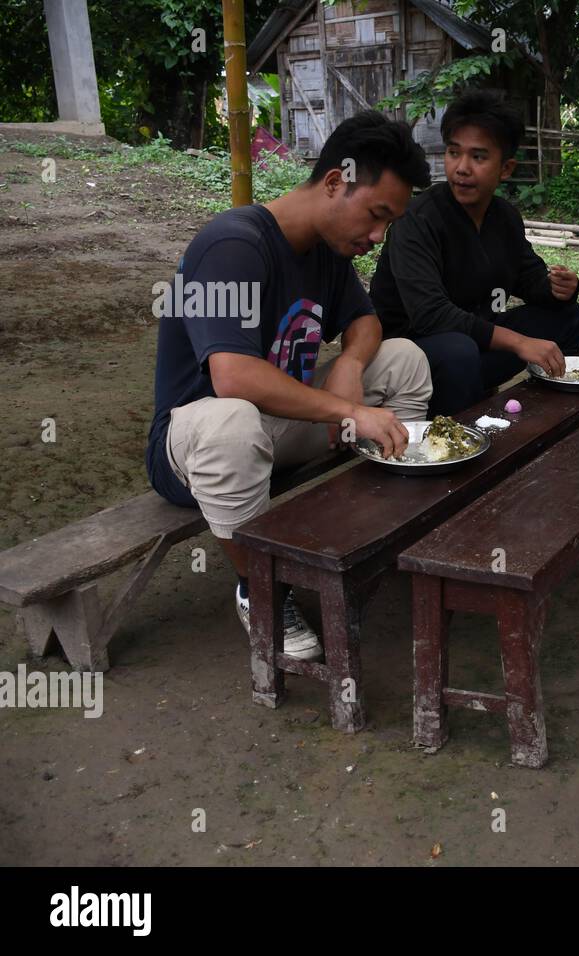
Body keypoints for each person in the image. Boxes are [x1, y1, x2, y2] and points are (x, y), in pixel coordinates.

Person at [146, 111, 434, 659]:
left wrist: (350, 362)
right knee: (232, 422)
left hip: (278, 429)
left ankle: (382, 527)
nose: (378, 237)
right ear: (334, 182)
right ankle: (262, 586)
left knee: (402, 359)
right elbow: (231, 377)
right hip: (197, 445)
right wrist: (344, 412)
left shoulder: (327, 250)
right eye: (376, 216)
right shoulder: (231, 244)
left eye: (389, 224)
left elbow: (367, 322)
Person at [369, 89, 579, 415]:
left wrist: (558, 288)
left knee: (566, 317)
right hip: (413, 356)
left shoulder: (504, 217)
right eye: (454, 153)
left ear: (506, 168)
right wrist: (518, 342)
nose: (462, 168)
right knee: (458, 351)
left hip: (475, 346)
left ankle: (558, 412)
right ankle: (464, 437)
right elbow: (430, 316)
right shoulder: (417, 219)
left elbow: (528, 278)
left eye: (478, 157)